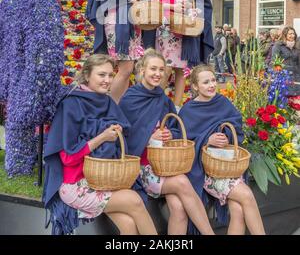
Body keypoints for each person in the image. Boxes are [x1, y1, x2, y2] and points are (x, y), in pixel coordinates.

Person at [43, 54, 157, 236]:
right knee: (134, 201)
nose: (107, 80)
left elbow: (123, 135)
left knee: (128, 224)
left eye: (111, 75)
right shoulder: (70, 104)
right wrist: (102, 138)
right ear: (87, 75)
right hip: (76, 183)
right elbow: (68, 157)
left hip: (105, 179)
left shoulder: (107, 102)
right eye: (101, 75)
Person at [120, 49, 215, 235]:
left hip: (166, 164)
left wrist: (170, 134)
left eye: (161, 70)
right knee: (182, 182)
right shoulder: (129, 99)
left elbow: (176, 128)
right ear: (142, 70)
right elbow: (123, 138)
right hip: (141, 168)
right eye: (153, 69)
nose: (157, 74)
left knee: (179, 208)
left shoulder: (162, 99)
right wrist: (148, 138)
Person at [179, 64, 265, 235]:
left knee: (239, 212)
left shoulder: (222, 102)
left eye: (213, 80)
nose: (211, 85)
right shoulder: (188, 110)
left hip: (227, 165)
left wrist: (226, 134)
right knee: (246, 195)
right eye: (205, 82)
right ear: (195, 86)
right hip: (205, 171)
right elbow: (183, 144)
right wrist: (207, 139)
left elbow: (235, 124)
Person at [153, 0, 214, 108]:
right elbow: (152, 0)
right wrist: (170, 5)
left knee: (181, 70)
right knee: (164, 68)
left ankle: (176, 108)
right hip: (165, 28)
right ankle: (155, 105)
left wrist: (193, 7)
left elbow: (203, 5)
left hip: (184, 31)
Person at [272, 26, 300, 92]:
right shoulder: (278, 45)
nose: (292, 35)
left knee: (295, 98)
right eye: (290, 34)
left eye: (293, 34)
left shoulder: (296, 47)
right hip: (284, 76)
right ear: (285, 35)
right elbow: (274, 61)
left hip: (296, 76)